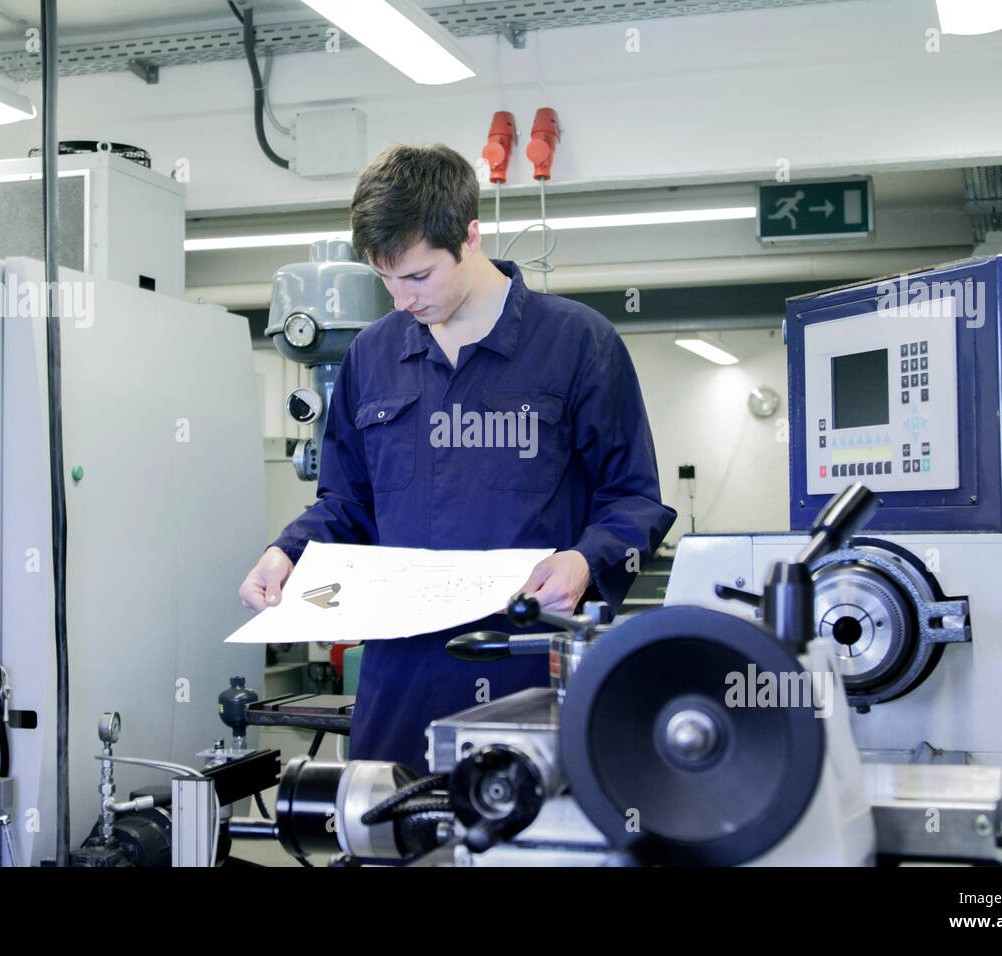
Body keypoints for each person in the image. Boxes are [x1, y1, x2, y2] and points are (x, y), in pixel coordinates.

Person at [239, 144, 675, 773]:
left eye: (417, 277)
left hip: (525, 670)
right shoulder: (373, 354)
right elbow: (347, 502)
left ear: (470, 236)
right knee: (387, 835)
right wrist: (287, 552)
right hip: (399, 682)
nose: (400, 300)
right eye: (384, 278)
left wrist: (584, 560)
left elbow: (633, 498)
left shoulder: (578, 343)